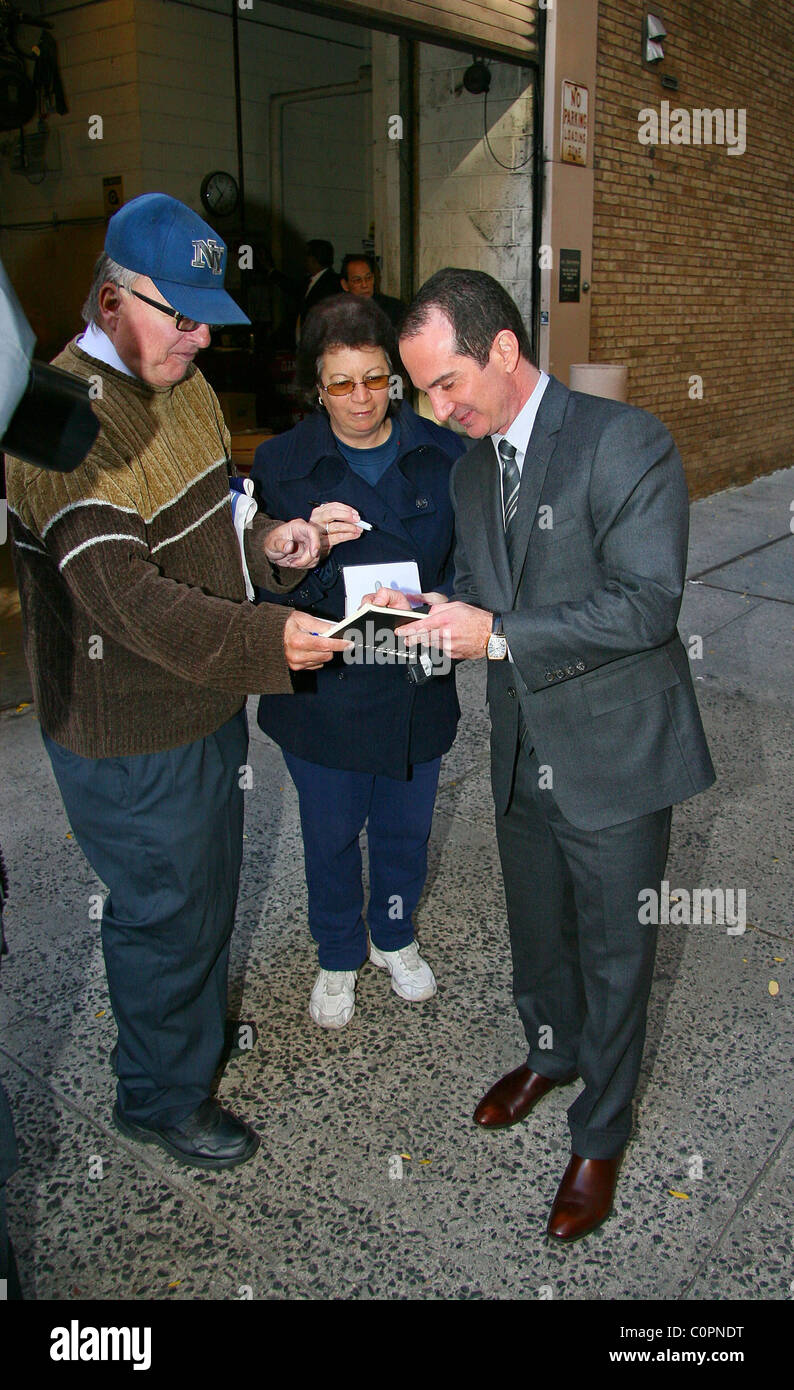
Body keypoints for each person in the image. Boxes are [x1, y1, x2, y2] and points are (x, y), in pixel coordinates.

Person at [5, 193, 348, 1171]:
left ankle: (183, 1044)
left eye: (209, 316)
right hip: (126, 731)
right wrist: (272, 638)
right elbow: (131, 602)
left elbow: (213, 531)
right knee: (166, 909)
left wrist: (271, 550)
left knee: (203, 894)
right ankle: (157, 1097)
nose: (199, 338)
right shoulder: (57, 422)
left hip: (202, 702)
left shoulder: (182, 381)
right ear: (111, 300)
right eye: (180, 314)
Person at [383, 267, 715, 1241]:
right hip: (521, 746)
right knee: (537, 927)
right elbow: (479, 584)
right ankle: (550, 1048)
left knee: (614, 950)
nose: (439, 411)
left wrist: (490, 635)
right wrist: (420, 611)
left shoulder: (626, 442)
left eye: (446, 384)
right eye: (423, 394)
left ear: (500, 349)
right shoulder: (467, 469)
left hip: (614, 753)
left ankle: (600, 1128)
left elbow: (646, 604)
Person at [250, 294, 465, 1028]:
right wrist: (309, 547)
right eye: (340, 384)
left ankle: (395, 936)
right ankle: (338, 951)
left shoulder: (445, 454)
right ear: (315, 386)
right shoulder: (281, 465)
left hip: (415, 675)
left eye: (376, 379)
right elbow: (259, 584)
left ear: (395, 378)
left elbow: (474, 567)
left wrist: (446, 606)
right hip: (327, 686)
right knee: (332, 831)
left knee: (406, 829)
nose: (361, 399)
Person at [340, 253, 405, 330]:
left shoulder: (395, 308)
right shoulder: (337, 313)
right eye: (357, 280)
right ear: (345, 285)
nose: (364, 285)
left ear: (374, 279)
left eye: (368, 278)